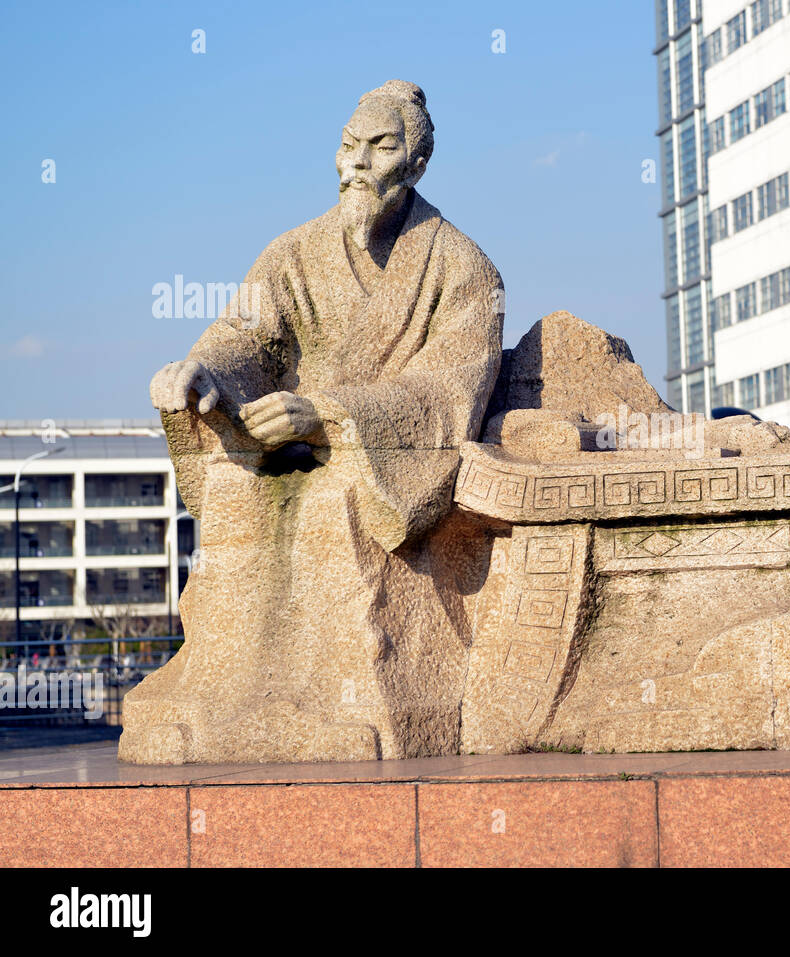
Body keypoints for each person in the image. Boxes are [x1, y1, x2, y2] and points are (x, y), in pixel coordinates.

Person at [122, 81, 505, 763]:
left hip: (374, 469)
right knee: (239, 490)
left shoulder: (464, 268)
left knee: (336, 505)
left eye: (380, 146)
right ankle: (220, 700)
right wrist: (204, 375)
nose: (357, 162)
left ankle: (348, 702)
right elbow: (245, 339)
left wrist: (328, 415)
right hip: (283, 453)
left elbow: (447, 392)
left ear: (416, 164)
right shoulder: (293, 254)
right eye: (348, 145)